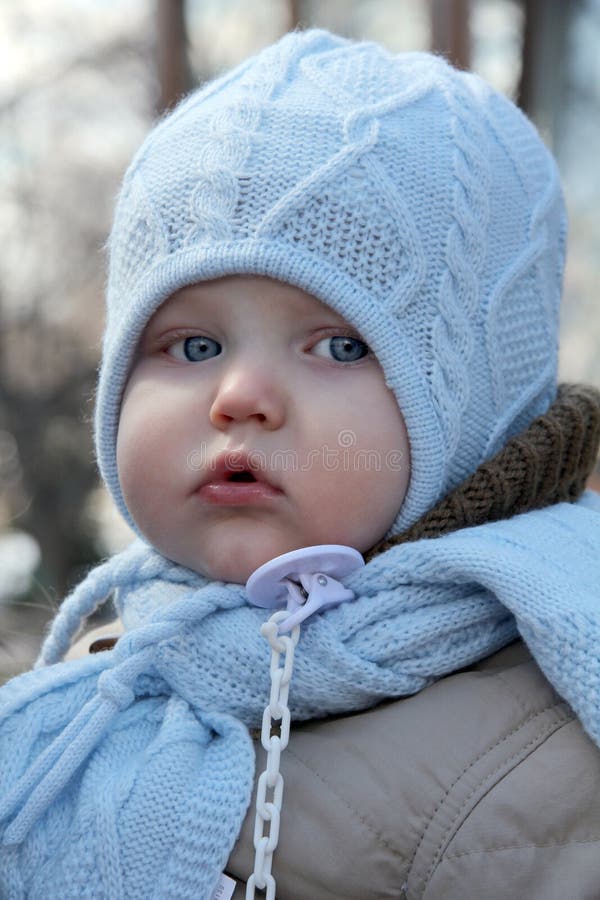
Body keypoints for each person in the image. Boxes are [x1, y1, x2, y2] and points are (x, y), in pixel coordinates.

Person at [1, 28, 600, 900]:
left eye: (340, 345)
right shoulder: (108, 679)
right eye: (193, 343)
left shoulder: (544, 746)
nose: (239, 395)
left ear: (474, 407)